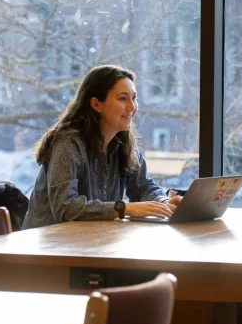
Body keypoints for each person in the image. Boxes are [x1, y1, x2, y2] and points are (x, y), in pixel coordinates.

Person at [23, 64, 181, 229]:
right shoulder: (68, 143)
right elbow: (65, 208)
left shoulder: (122, 142)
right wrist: (124, 208)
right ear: (96, 104)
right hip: (48, 241)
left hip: (90, 238)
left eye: (134, 98)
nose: (132, 107)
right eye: (123, 98)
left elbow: (143, 187)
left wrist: (164, 202)